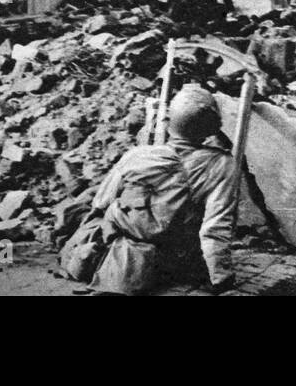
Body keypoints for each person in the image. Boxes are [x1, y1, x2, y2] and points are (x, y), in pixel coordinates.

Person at [62, 85, 239, 295]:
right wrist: (220, 277)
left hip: (124, 234)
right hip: (175, 255)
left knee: (87, 208)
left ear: (170, 122)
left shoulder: (138, 154)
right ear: (209, 127)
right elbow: (215, 226)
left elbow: (101, 201)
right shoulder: (222, 164)